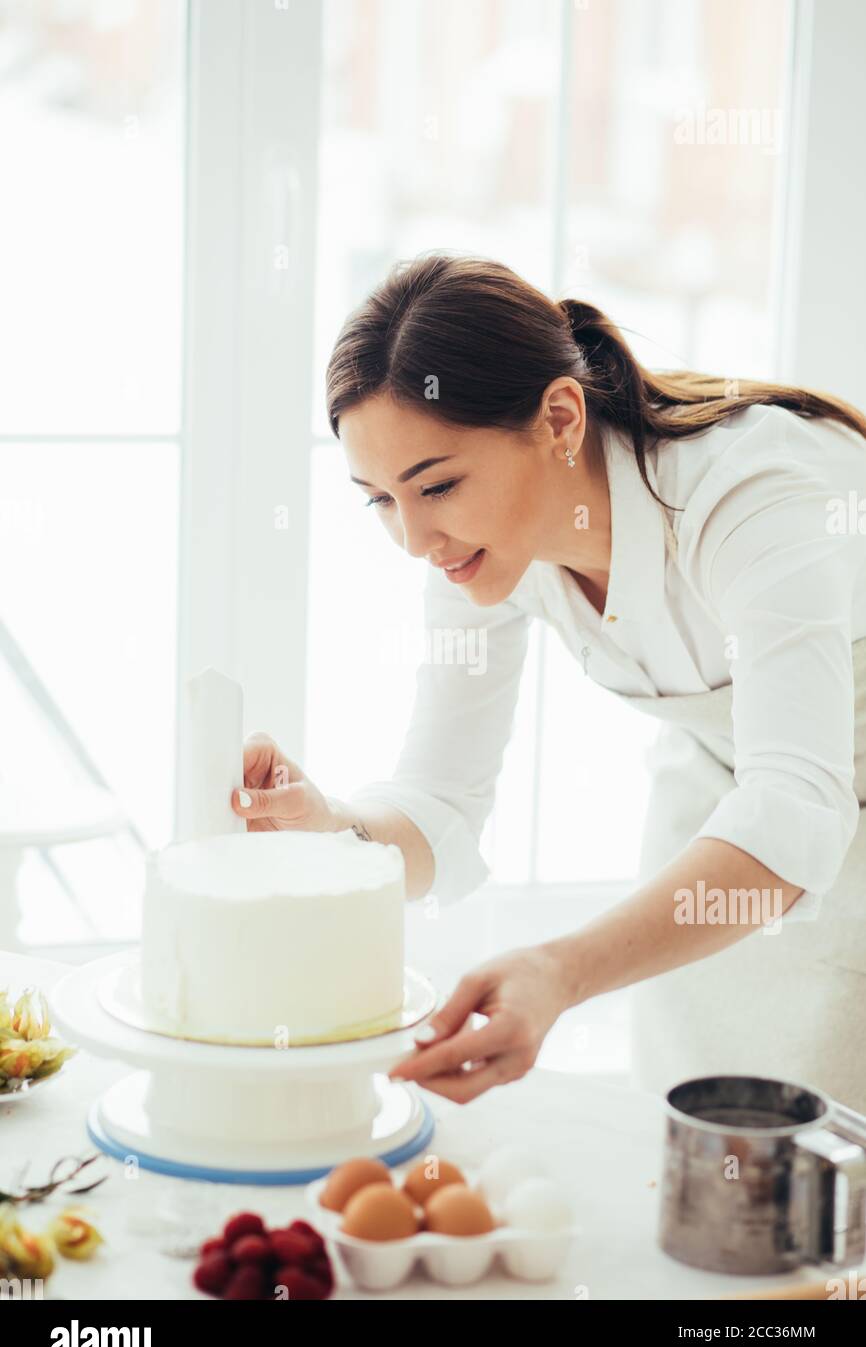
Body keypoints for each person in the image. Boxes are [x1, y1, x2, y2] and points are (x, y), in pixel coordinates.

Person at [232, 252, 866, 1112]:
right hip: (729, 806)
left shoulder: (752, 495)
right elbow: (440, 804)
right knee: (686, 1147)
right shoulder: (482, 547)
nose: (415, 541)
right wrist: (333, 828)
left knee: (832, 1181)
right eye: (379, 499)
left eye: (438, 485)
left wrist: (561, 969)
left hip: (807, 802)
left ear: (560, 418)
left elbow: (795, 806)